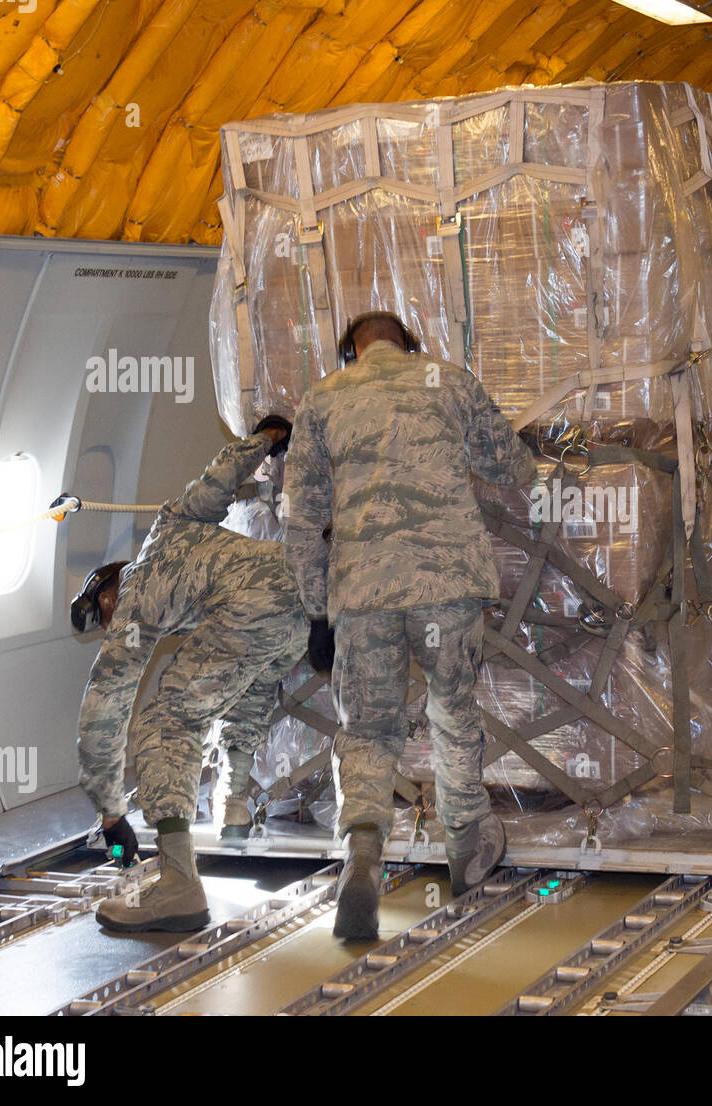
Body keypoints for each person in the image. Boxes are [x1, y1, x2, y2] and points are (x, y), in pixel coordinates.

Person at [284, 310, 536, 940]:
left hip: (363, 594)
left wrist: (317, 609)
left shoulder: (322, 399)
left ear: (353, 352)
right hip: (444, 589)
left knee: (367, 730)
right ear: (409, 344)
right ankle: (468, 851)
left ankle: (364, 856)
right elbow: (513, 465)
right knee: (452, 708)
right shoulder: (447, 381)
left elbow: (298, 519)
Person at [72, 418, 307, 932]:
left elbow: (102, 712)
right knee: (244, 688)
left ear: (111, 588)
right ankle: (236, 805)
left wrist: (112, 813)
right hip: (300, 591)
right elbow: (218, 480)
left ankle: (179, 885)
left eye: (100, 612)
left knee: (164, 724)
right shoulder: (169, 526)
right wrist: (265, 439)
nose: (106, 624)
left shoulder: (134, 606)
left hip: (252, 605)